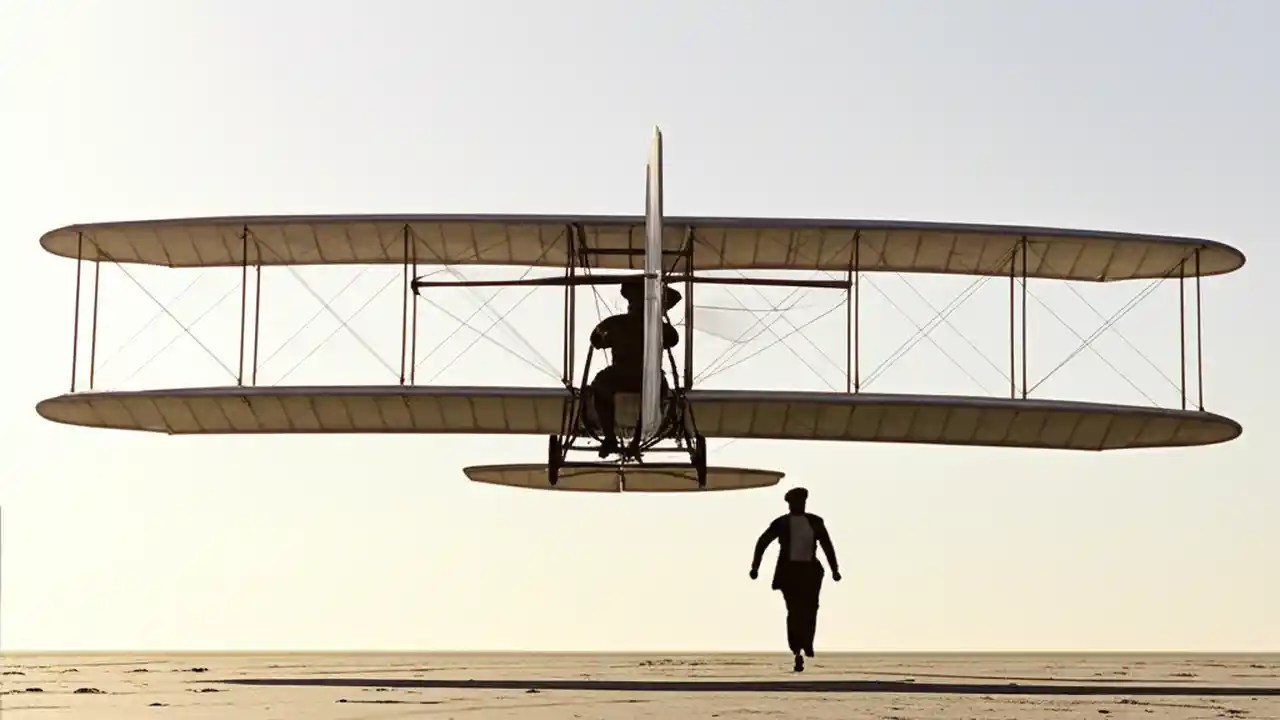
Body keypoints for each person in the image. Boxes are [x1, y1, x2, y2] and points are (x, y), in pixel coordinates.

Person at [749, 486, 840, 672]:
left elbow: (826, 545)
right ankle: (796, 648)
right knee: (795, 610)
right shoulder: (782, 523)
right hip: (789, 573)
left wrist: (834, 569)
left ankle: (807, 643)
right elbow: (763, 541)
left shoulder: (815, 522)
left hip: (810, 571)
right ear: (789, 504)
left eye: (801, 502)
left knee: (811, 608)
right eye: (795, 502)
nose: (799, 505)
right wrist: (755, 566)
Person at [587, 278, 681, 456]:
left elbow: (596, 341)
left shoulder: (615, 322)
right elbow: (673, 340)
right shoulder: (656, 326)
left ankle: (612, 437)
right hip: (644, 376)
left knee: (601, 384)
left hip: (625, 375)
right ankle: (631, 440)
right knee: (654, 389)